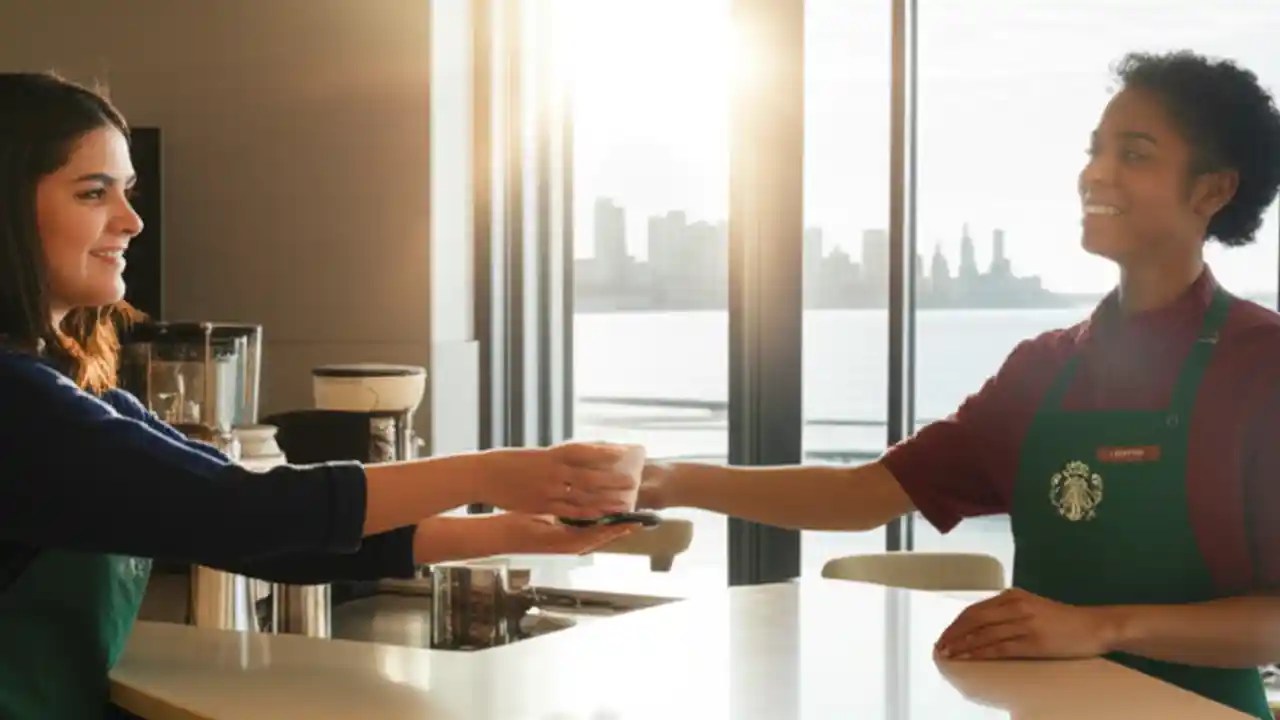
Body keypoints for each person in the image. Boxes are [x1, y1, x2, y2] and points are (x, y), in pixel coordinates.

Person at [639, 50, 1280, 719]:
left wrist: (1101, 626)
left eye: (1135, 154)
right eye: (1095, 151)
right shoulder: (1041, 368)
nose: (1096, 173)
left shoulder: (1264, 365)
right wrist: (671, 481)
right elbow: (862, 494)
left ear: (1211, 191)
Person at [0, 72, 643, 719]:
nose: (132, 221)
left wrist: (517, 531)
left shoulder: (81, 394)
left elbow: (264, 532)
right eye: (93, 193)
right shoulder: (16, 398)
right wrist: (488, 472)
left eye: (127, 192)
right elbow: (246, 510)